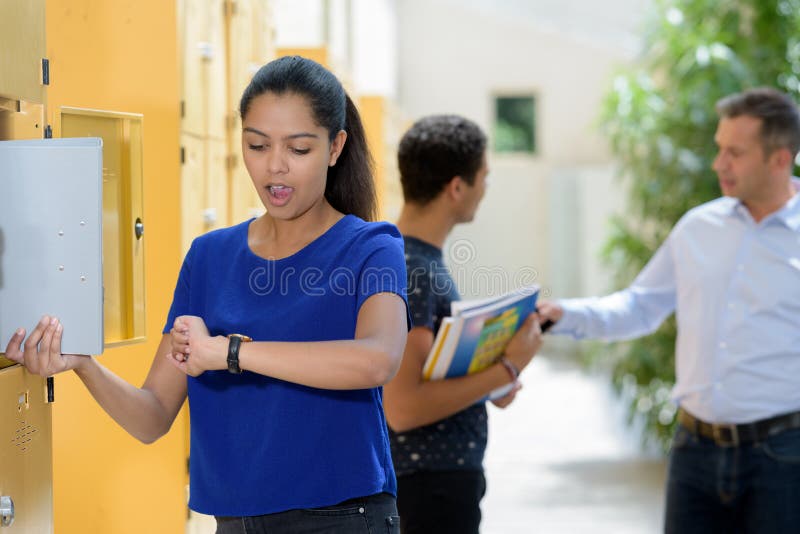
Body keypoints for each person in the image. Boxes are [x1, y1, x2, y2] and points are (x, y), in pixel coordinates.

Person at [4, 55, 410, 534]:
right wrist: (84, 364)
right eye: (257, 145)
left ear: (335, 146)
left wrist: (229, 352)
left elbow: (375, 361)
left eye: (298, 149)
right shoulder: (210, 256)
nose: (275, 168)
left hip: (340, 519)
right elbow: (152, 416)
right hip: (232, 524)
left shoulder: (371, 247)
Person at [538, 87, 800, 534]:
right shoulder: (698, 227)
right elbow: (641, 306)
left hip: (782, 460)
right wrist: (566, 314)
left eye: (735, 153)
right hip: (693, 452)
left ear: (780, 159)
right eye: (720, 149)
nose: (720, 164)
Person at [382, 114, 543, 534]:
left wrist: (489, 382)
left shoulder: (410, 259)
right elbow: (403, 406)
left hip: (431, 487)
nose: (485, 189)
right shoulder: (414, 269)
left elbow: (426, 373)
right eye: (483, 178)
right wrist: (506, 368)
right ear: (457, 187)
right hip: (428, 492)